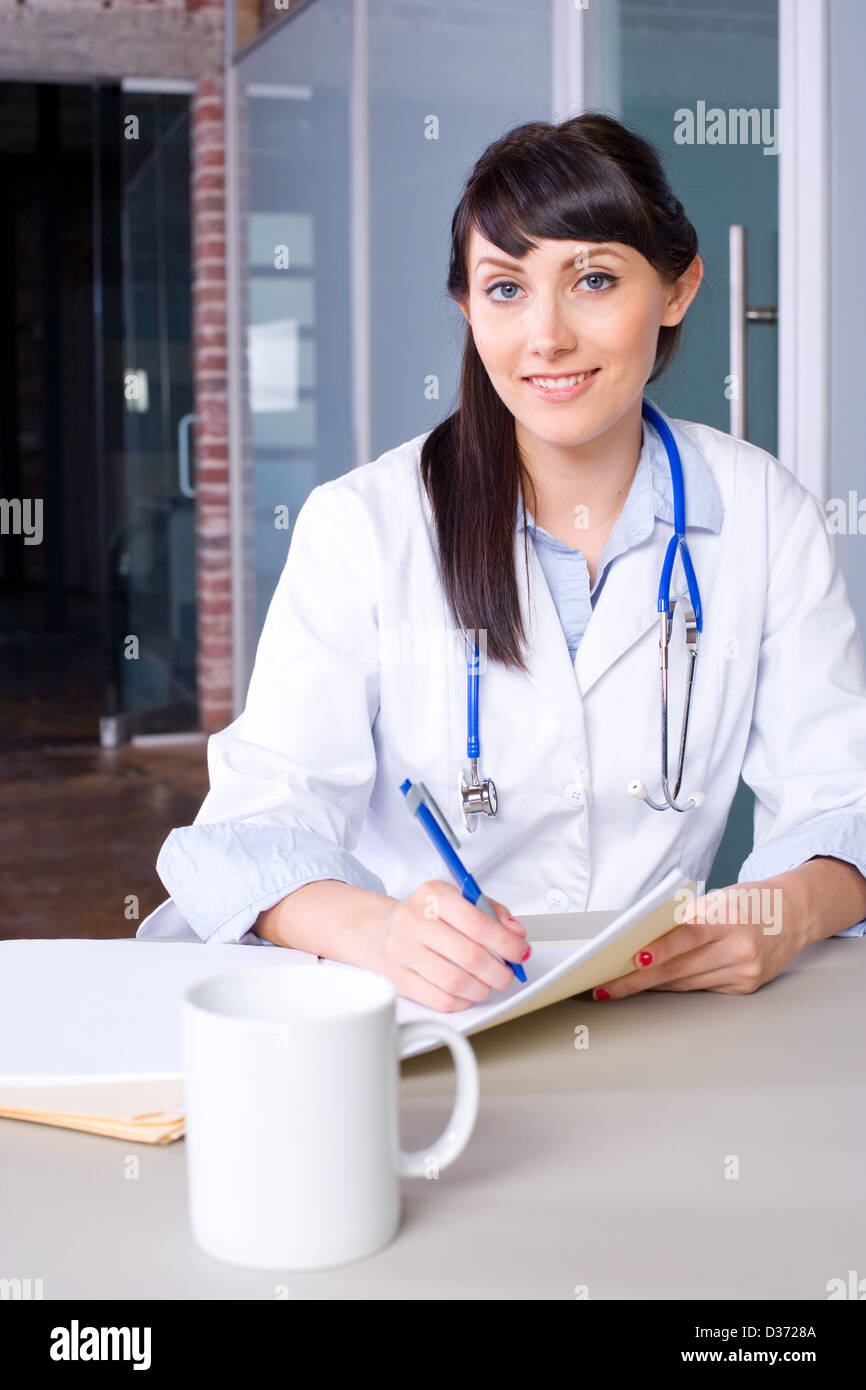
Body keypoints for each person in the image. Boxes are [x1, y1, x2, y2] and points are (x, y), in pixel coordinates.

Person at [137, 112, 866, 1010]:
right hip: (422, 1013)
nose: (545, 337)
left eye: (593, 279)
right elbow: (253, 832)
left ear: (678, 290)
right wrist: (382, 930)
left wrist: (783, 912)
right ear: (468, 309)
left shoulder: (764, 514)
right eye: (506, 289)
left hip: (662, 1011)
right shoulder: (363, 526)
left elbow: (844, 800)